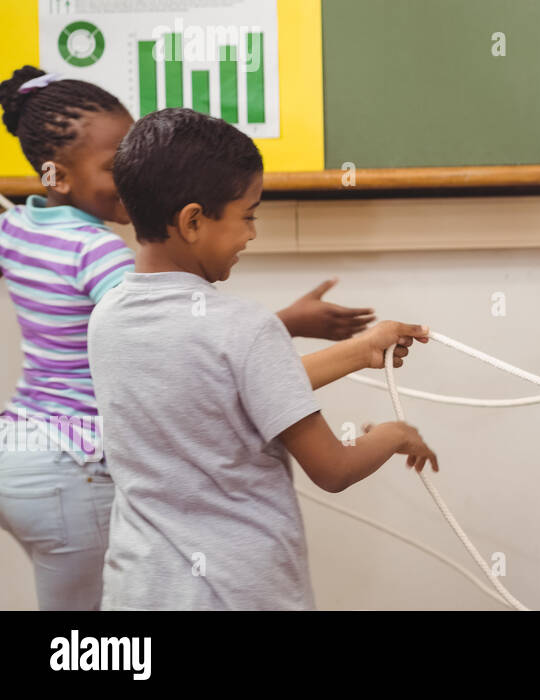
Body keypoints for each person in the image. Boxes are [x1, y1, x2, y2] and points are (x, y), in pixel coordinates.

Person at [0, 67, 376, 609]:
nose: (131, 172)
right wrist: (338, 347)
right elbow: (191, 346)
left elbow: (188, 339)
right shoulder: (100, 253)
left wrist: (282, 326)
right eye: (115, 164)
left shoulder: (18, 227)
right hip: (74, 464)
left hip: (20, 455)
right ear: (57, 174)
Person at [87, 108, 437, 609]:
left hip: (139, 591)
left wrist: (361, 350)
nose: (252, 234)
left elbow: (222, 393)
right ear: (192, 221)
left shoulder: (107, 317)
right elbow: (332, 469)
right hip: (240, 593)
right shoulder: (246, 327)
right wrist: (393, 434)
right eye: (247, 216)